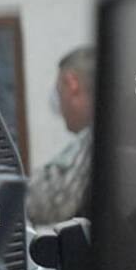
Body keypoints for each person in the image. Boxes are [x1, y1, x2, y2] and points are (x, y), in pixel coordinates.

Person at [27, 45, 95, 227]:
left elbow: (38, 204)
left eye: (59, 92)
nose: (60, 105)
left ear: (71, 84)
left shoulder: (94, 143)